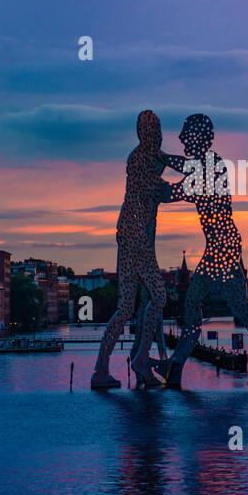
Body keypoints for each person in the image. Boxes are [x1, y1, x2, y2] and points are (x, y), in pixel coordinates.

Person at [159, 114, 248, 386]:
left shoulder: (211, 167)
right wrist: (163, 158)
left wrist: (156, 171)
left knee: (194, 304)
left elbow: (174, 192)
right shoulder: (208, 165)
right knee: (238, 306)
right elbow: (185, 167)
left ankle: (175, 367)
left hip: (222, 247)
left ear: (200, 138)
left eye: (187, 134)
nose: (182, 139)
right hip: (224, 245)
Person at [91, 110, 170, 388]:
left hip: (129, 235)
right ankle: (139, 360)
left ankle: (102, 369)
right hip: (135, 236)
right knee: (158, 295)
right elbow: (161, 190)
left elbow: (173, 163)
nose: (158, 132)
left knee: (126, 307)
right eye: (155, 128)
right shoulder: (141, 158)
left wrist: (196, 168)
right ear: (147, 131)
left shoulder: (148, 156)